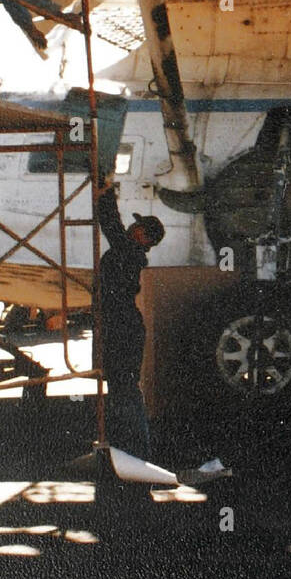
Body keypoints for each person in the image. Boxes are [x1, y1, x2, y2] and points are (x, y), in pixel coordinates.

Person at [94, 175, 165, 460]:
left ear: (143, 237)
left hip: (122, 328)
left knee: (124, 391)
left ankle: (135, 452)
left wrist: (105, 192)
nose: (133, 226)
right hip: (122, 327)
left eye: (138, 226)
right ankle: (129, 451)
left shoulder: (128, 252)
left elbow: (111, 224)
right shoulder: (131, 252)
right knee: (122, 389)